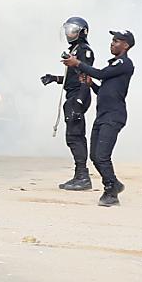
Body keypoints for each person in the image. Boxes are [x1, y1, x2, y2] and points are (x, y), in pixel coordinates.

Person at [64, 29, 135, 207]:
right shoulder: (114, 66)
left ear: (126, 45)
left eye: (117, 41)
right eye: (112, 40)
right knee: (96, 156)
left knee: (103, 156)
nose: (112, 43)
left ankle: (111, 191)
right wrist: (92, 85)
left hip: (113, 116)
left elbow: (101, 74)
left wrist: (77, 63)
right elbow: (104, 89)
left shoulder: (124, 63)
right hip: (103, 115)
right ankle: (115, 184)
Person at [41, 16, 95, 191]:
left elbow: (86, 77)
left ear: (82, 32)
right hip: (73, 95)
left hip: (78, 96)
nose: (68, 34)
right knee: (72, 136)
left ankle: (83, 176)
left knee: (76, 136)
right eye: (67, 30)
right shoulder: (76, 50)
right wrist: (55, 78)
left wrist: (80, 99)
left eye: (72, 30)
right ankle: (79, 175)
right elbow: (73, 78)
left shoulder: (84, 51)